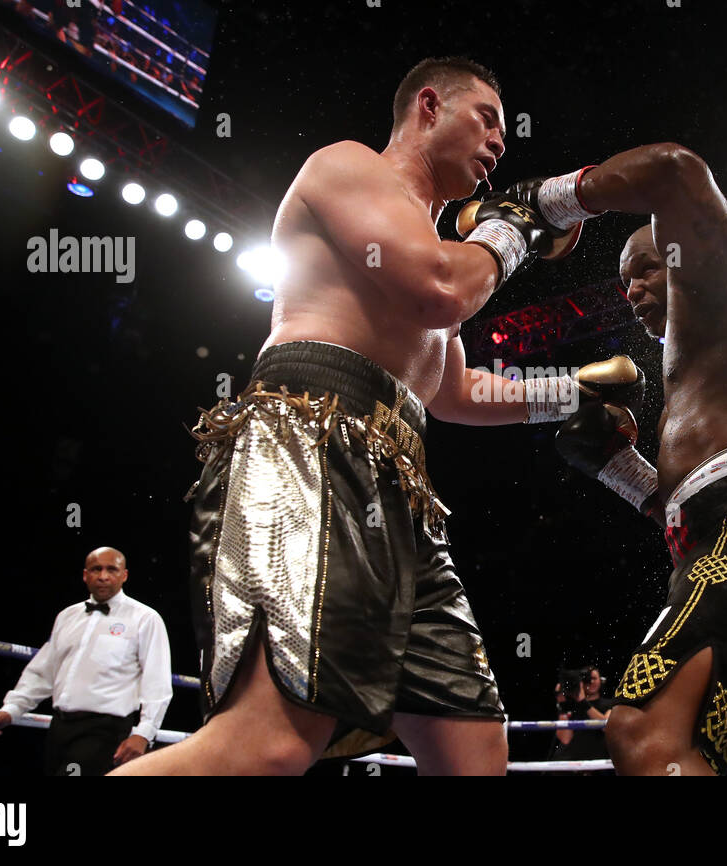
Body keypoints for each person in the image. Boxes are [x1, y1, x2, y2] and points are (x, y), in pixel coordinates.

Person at [113, 57, 641, 776]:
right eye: (485, 117)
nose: (499, 141)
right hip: (311, 439)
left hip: (402, 490)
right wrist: (517, 224)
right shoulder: (350, 169)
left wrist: (567, 393)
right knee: (268, 746)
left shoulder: (432, 243)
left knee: (473, 752)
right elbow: (440, 291)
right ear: (428, 105)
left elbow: (451, 393)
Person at [506, 144, 727, 775]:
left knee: (640, 731)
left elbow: (675, 170)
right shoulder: (697, 376)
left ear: (684, 255)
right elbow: (683, 502)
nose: (633, 289)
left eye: (646, 269)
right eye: (625, 283)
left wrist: (546, 202)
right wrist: (616, 465)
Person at [0, 547, 173, 776]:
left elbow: (157, 682)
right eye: (96, 569)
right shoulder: (67, 616)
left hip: (105, 730)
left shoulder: (145, 619)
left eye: (111, 569)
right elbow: (43, 671)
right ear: (85, 575)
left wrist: (144, 733)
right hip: (60, 727)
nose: (103, 576)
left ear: (124, 575)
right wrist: (12, 709)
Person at [550, 665, 614, 763]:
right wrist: (561, 703)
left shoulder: (610, 704)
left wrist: (582, 701)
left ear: (601, 680)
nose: (591, 682)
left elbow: (606, 726)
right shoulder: (571, 706)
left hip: (597, 764)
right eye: (587, 679)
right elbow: (565, 739)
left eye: (594, 678)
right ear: (580, 682)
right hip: (572, 763)